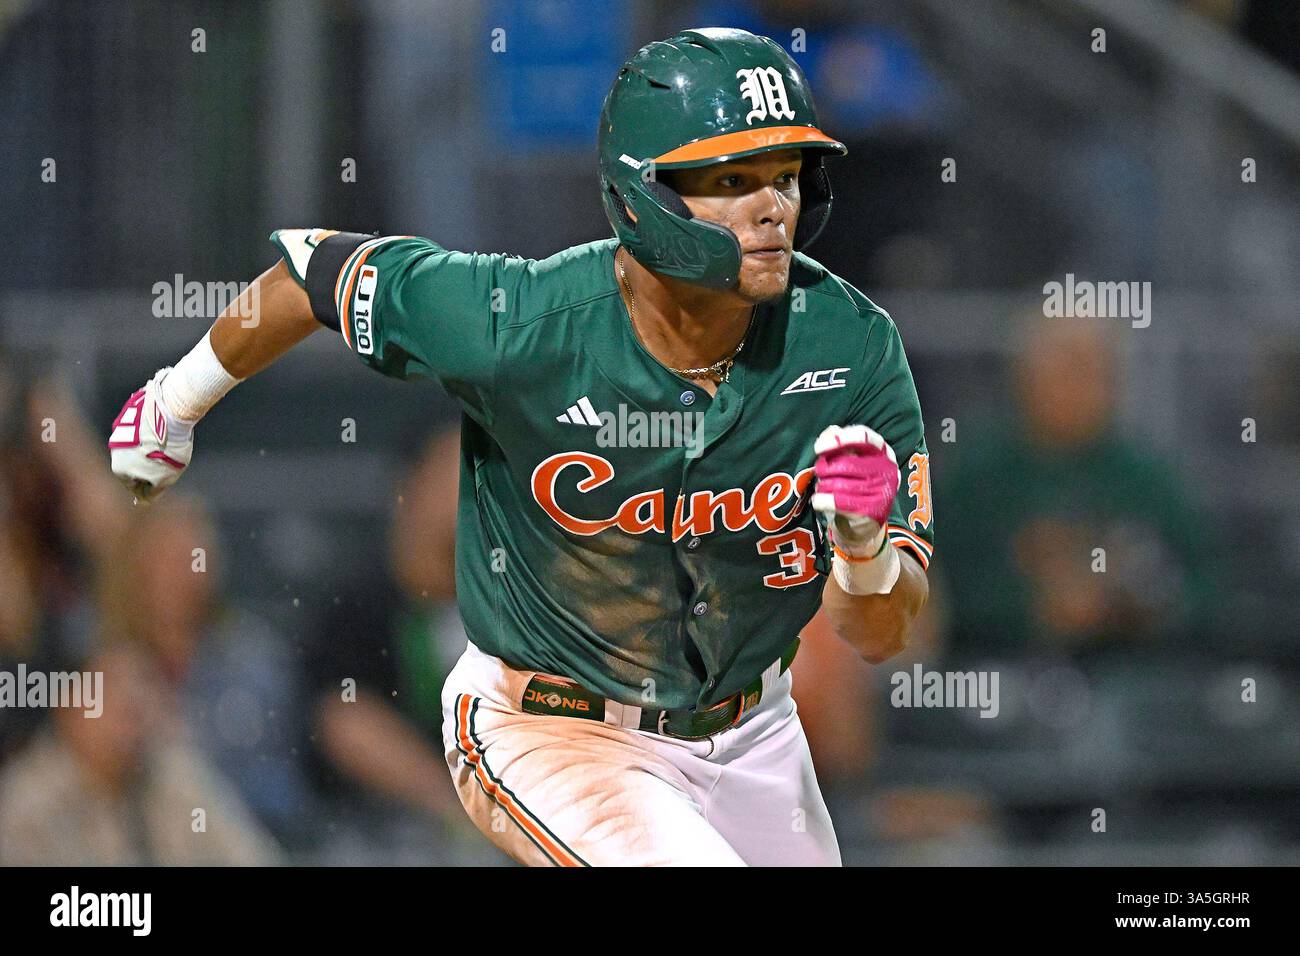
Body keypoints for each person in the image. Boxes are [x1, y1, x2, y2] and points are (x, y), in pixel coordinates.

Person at [107, 28, 934, 866]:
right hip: (554, 727)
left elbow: (882, 630)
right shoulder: (521, 323)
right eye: (731, 179)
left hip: (754, 732)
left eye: (786, 175)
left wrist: (863, 549)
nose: (772, 207)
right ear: (642, 193)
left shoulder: (851, 347)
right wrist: (175, 400)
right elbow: (310, 277)